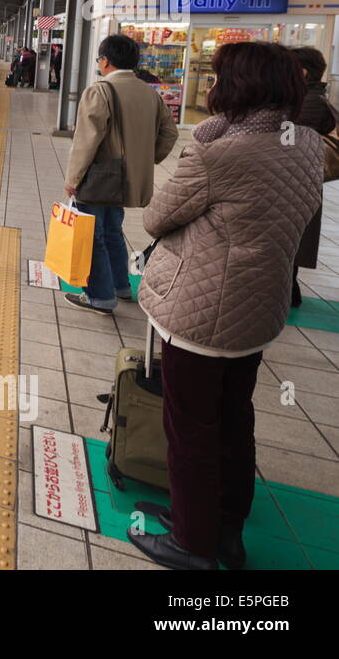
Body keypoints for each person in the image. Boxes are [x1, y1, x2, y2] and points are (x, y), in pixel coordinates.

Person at [129, 41, 323, 570]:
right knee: (235, 418)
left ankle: (193, 543)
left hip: (202, 313)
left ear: (239, 88)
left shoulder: (219, 155)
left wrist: (206, 150)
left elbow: (155, 218)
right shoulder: (305, 143)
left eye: (218, 79)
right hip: (260, 308)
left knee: (190, 429)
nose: (211, 88)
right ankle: (226, 530)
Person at [63, 34, 178, 314]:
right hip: (129, 180)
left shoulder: (99, 91)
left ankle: (100, 297)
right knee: (113, 231)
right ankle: (121, 286)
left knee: (93, 236)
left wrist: (73, 178)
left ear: (105, 61)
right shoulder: (149, 92)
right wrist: (147, 159)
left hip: (100, 178)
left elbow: (86, 141)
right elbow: (170, 133)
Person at [289, 47, 334, 307]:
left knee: (293, 244)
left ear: (302, 72)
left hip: (297, 185)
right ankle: (289, 290)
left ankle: (288, 293)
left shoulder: (308, 103)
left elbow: (288, 144)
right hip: (300, 184)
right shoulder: (309, 99)